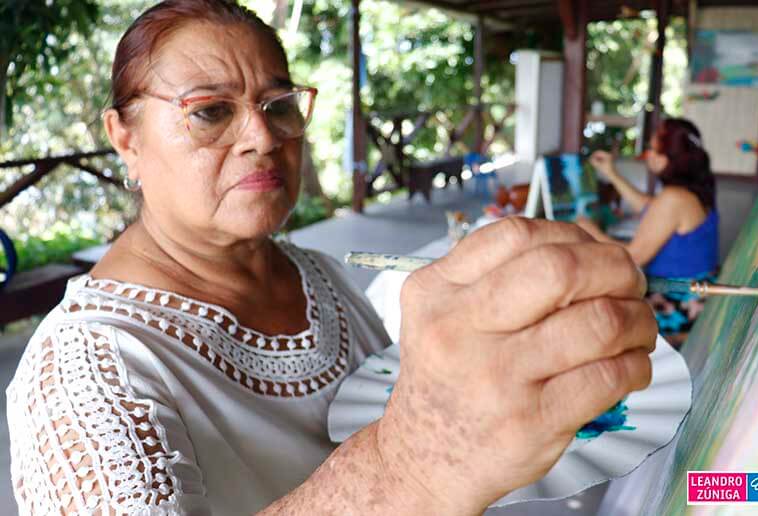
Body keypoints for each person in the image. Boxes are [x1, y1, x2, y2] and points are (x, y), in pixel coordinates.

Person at [6, 1, 656, 514]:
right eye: (208, 112)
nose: (262, 137)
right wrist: (414, 464)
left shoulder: (320, 276)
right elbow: (418, 453)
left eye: (279, 105)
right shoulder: (85, 372)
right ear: (124, 137)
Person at [576, 118, 719, 341]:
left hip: (678, 304)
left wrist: (590, 231)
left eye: (652, 149)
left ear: (666, 159)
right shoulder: (695, 192)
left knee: (593, 312)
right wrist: (611, 173)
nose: (647, 154)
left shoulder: (673, 198)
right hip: (695, 295)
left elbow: (633, 257)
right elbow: (647, 206)